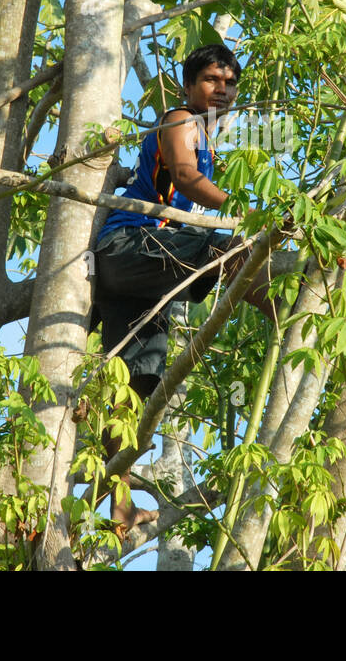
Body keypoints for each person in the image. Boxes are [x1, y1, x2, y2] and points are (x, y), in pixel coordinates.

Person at [92, 43, 276, 531]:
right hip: (130, 244)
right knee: (232, 249)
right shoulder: (180, 121)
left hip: (143, 281)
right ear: (189, 86)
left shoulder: (209, 137)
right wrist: (248, 209)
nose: (222, 90)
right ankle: (284, 315)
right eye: (212, 80)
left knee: (135, 387)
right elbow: (185, 176)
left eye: (230, 83)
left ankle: (120, 505)